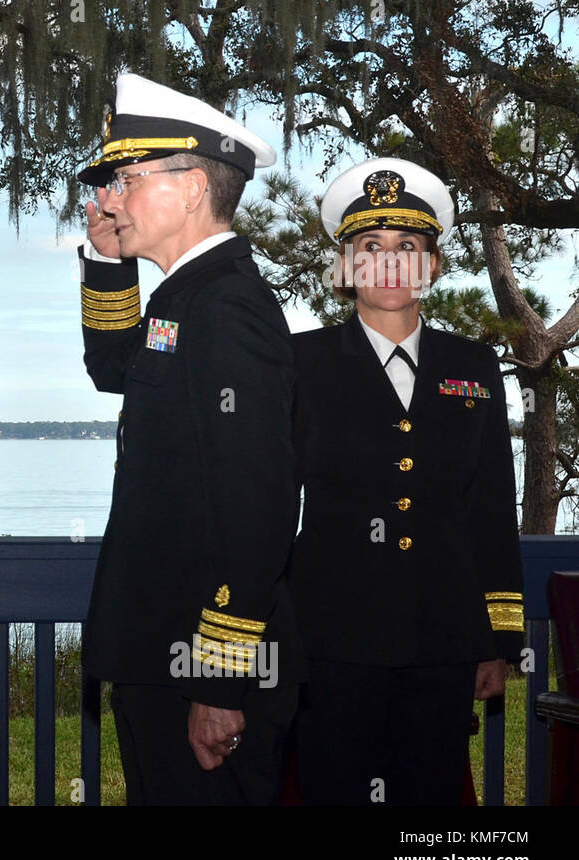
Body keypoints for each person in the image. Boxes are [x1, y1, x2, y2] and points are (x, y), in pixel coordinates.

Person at [76, 73, 304, 805]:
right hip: (162, 661)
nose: (110, 197)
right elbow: (116, 368)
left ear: (194, 189)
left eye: (128, 179)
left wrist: (219, 680)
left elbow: (257, 507)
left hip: (200, 673)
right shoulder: (185, 297)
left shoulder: (229, 308)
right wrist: (109, 262)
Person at [291, 157, 524, 805]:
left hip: (443, 640)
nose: (389, 261)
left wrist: (498, 638)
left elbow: (490, 507)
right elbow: (269, 503)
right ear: (346, 265)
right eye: (371, 246)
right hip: (331, 639)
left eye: (408, 246)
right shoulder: (300, 363)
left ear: (432, 264)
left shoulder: (472, 365)